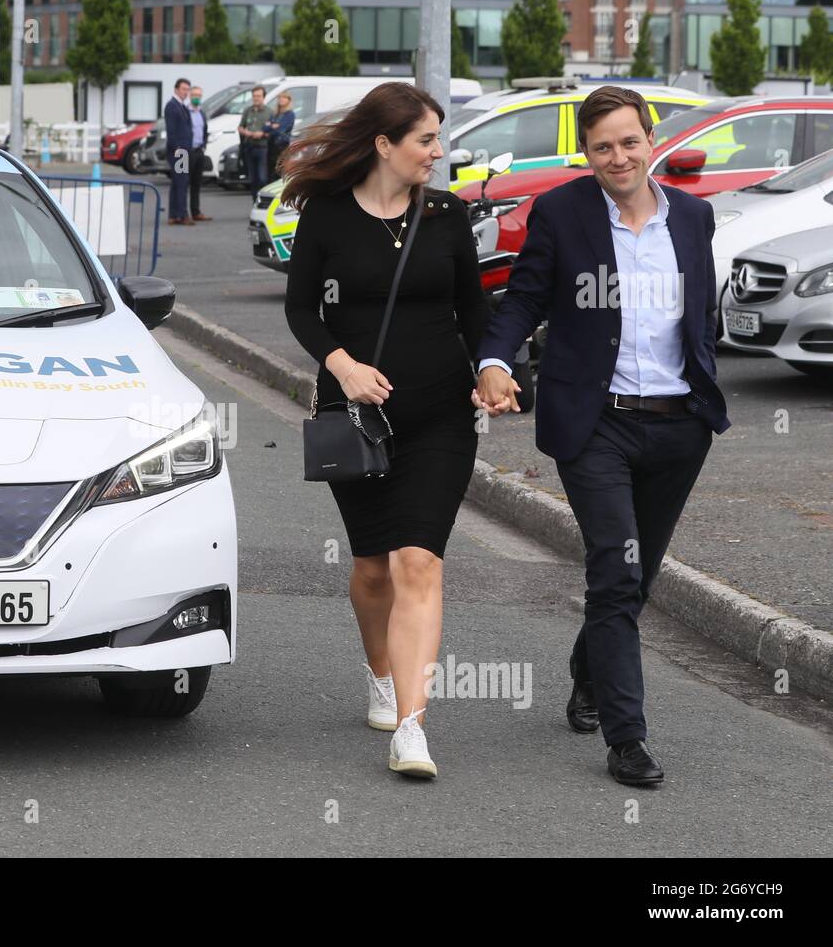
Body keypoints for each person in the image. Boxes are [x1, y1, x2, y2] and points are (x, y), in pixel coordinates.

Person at [473, 86, 729, 787]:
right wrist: (495, 360)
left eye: (629, 141)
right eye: (602, 146)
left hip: (680, 427)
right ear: (585, 153)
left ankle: (590, 671)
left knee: (636, 578)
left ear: (652, 140)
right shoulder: (562, 212)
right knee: (614, 573)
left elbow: (700, 311)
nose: (618, 157)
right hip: (597, 425)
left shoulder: (695, 217)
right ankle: (628, 738)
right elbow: (524, 294)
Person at [283, 82, 489, 779]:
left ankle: (411, 725)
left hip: (441, 416)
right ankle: (379, 672)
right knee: (373, 568)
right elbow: (302, 312)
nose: (437, 152)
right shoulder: (328, 217)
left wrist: (491, 367)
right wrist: (343, 367)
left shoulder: (448, 216)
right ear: (384, 144)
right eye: (425, 140)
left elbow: (474, 309)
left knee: (417, 562)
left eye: (438, 139)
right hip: (357, 418)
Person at [164, 77, 196, 226]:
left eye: (188, 89)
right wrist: (178, 150)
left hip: (184, 150)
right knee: (181, 182)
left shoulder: (182, 106)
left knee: (177, 182)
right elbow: (171, 131)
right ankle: (182, 215)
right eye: (184, 89)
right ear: (176, 89)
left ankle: (174, 214)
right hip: (179, 151)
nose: (186, 92)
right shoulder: (172, 106)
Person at [238, 86, 273, 200]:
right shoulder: (248, 110)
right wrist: (245, 132)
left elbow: (273, 130)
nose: (256, 98)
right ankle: (255, 204)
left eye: (258, 96)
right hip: (249, 147)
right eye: (254, 96)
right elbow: (240, 127)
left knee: (263, 178)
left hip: (262, 147)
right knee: (252, 179)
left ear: (263, 97)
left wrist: (262, 134)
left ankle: (264, 202)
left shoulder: (269, 112)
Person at [186, 85, 212, 222]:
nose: (196, 97)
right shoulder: (185, 111)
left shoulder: (202, 113)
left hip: (198, 151)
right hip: (184, 153)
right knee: (182, 182)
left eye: (199, 95)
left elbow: (205, 131)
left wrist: (204, 146)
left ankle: (196, 212)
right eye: (194, 95)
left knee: (196, 184)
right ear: (190, 96)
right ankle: (181, 213)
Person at [264, 92, 296, 175]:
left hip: (282, 145)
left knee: (279, 170)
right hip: (271, 145)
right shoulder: (275, 113)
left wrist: (271, 126)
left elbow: (281, 130)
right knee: (269, 169)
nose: (281, 99)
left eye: (284, 97)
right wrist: (272, 126)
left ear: (288, 100)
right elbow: (265, 128)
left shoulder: (290, 114)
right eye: (279, 97)